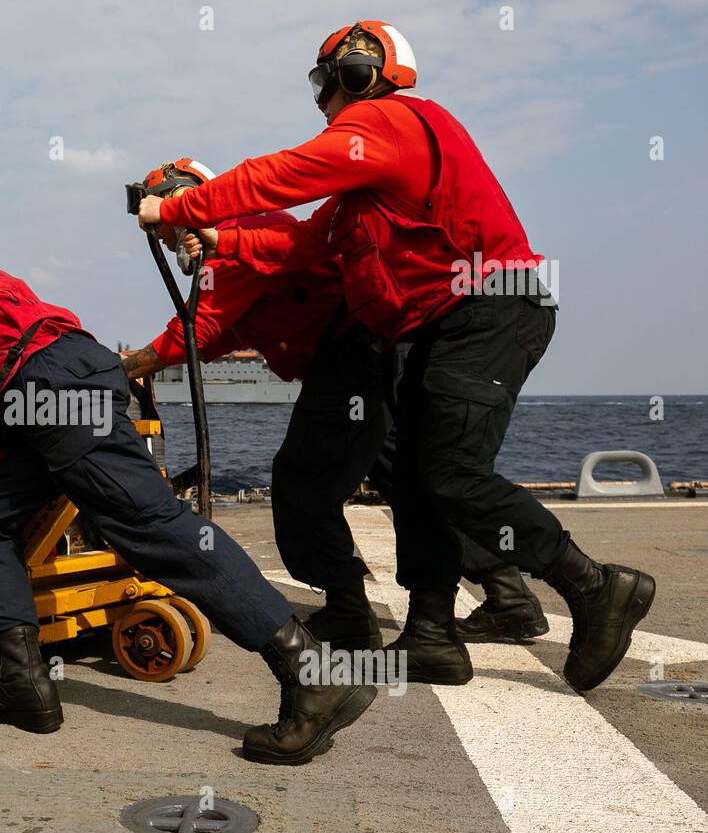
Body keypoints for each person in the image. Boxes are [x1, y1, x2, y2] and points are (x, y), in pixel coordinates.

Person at [137, 21, 653, 692]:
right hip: (430, 326)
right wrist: (222, 238)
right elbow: (307, 250)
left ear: (358, 74)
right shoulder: (360, 193)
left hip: (488, 310)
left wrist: (185, 205)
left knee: (452, 473)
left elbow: (284, 175)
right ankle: (433, 633)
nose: (323, 103)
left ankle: (592, 585)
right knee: (415, 482)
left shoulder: (391, 121)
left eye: (328, 84)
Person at [0, 195, 375, 764]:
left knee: (151, 524)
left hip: (44, 396)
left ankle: (313, 676)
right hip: (53, 389)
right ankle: (24, 682)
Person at [125, 161, 546, 663]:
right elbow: (235, 327)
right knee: (406, 477)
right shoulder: (253, 229)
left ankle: (347, 608)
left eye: (166, 223)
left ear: (186, 201)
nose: (167, 237)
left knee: (302, 480)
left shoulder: (238, 234)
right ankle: (508, 593)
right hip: (371, 353)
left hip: (347, 359)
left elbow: (204, 327)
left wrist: (125, 366)